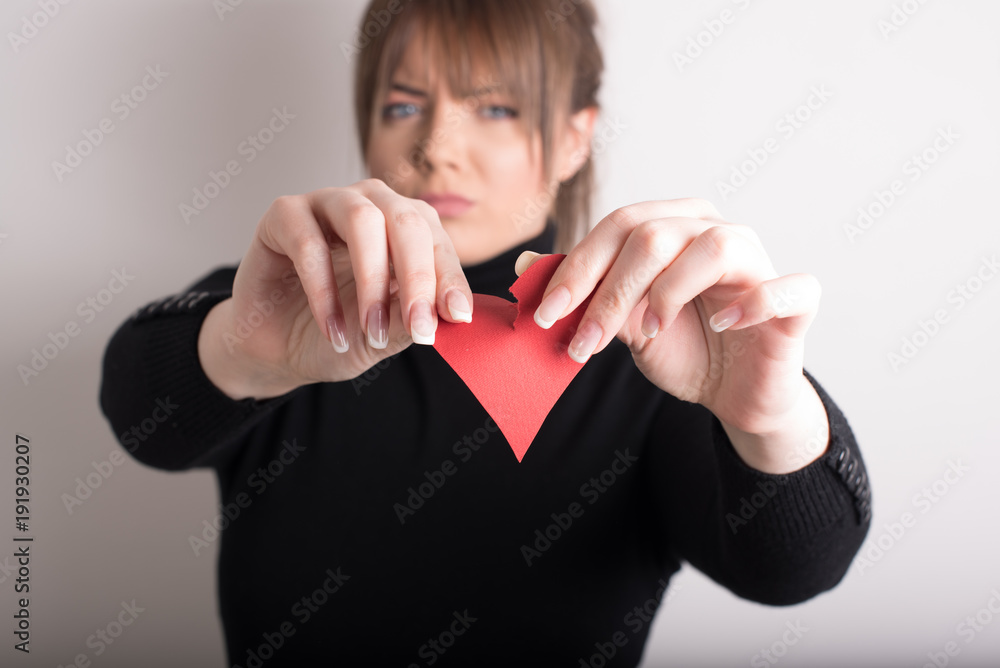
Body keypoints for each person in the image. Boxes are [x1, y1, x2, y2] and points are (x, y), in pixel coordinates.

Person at [99, 0, 872, 665]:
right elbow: (140, 414)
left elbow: (793, 571)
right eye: (402, 105)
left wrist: (768, 418)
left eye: (496, 108)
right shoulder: (292, 303)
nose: (437, 146)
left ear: (576, 137)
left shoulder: (657, 352)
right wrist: (246, 350)